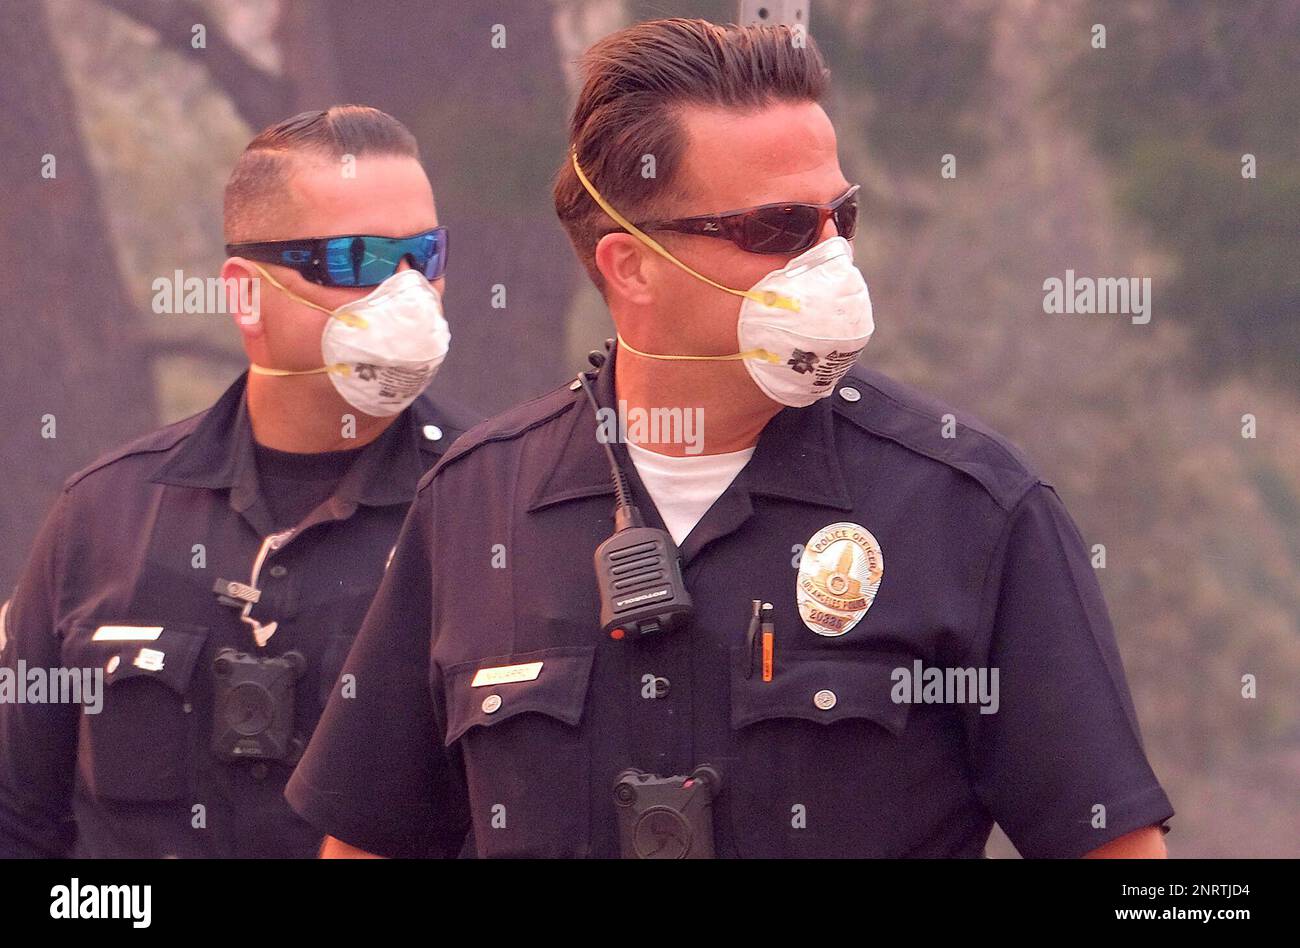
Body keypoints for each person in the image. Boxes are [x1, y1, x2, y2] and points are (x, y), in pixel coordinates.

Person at [287, 21, 1174, 859]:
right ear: (630, 265)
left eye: (841, 219)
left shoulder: (969, 508)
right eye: (776, 230)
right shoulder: (474, 504)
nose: (829, 259)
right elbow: (369, 841)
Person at [0, 105, 477, 857]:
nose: (410, 294)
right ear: (246, 294)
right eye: (358, 261)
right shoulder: (103, 515)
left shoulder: (488, 508)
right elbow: (20, 819)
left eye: (426, 255)